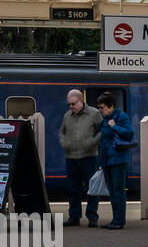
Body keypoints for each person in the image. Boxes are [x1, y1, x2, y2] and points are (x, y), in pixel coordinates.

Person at [58, 89, 102, 227]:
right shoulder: (67, 116)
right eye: (69, 104)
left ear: (81, 100)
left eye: (73, 103)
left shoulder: (94, 113)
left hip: (90, 156)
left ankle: (92, 217)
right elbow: (62, 133)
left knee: (92, 188)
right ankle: (74, 216)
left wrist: (92, 143)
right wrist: (65, 144)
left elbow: (102, 131)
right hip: (71, 157)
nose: (71, 107)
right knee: (73, 188)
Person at [95, 91, 135, 229]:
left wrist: (114, 126)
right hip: (107, 160)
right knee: (112, 191)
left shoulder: (121, 117)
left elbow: (129, 133)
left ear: (111, 106)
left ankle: (119, 221)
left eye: (102, 107)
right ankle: (115, 220)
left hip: (118, 159)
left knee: (118, 191)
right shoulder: (105, 119)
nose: (100, 110)